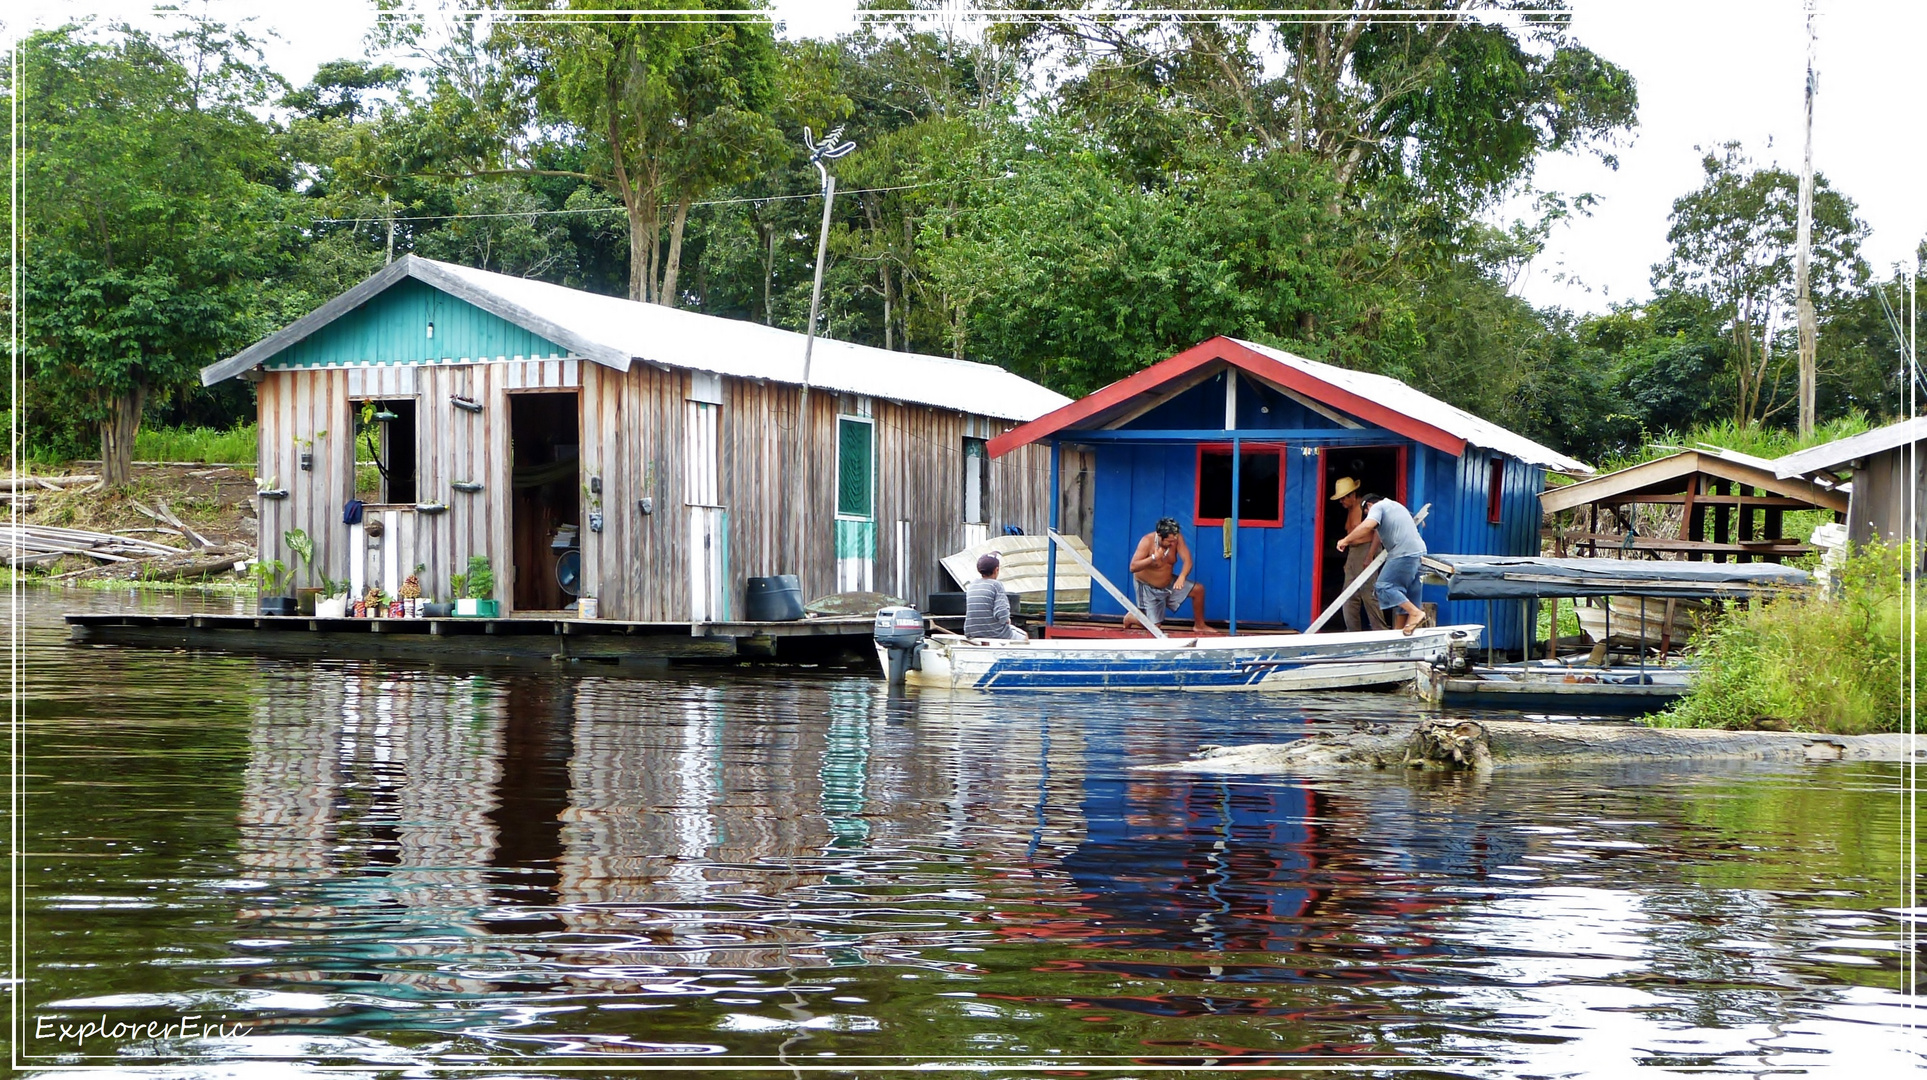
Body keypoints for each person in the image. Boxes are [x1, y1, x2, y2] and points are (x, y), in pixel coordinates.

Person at [1336, 494, 1429, 634]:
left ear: (1368, 505)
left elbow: (1368, 525)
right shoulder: (1397, 506)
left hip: (1403, 553)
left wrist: (1346, 540)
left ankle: (1415, 613)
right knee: (1405, 595)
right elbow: (1422, 523)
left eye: (1366, 512)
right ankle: (1399, 635)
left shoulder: (1378, 506)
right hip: (1420, 553)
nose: (1367, 514)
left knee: (1383, 587)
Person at [1124, 517, 1209, 633]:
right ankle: (1132, 617)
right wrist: (1153, 558)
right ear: (1159, 536)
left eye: (1174, 540)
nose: (1173, 543)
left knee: (1198, 590)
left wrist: (1182, 577)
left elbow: (1188, 560)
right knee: (1155, 626)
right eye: (1169, 541)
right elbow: (1133, 567)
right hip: (1148, 587)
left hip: (1168, 583)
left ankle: (1200, 625)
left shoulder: (1176, 538)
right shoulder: (1147, 541)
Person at [1330, 477, 1388, 632]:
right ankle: (1353, 631)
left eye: (1343, 498)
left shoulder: (1366, 507)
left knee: (1369, 593)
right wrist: (1349, 561)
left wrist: (1370, 555)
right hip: (1354, 552)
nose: (1341, 501)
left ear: (1352, 495)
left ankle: (1380, 631)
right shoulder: (1350, 510)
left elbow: (1378, 531)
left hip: (1367, 548)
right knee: (1348, 595)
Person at [963, 552, 1028, 640]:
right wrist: (1006, 619)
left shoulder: (972, 586)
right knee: (1024, 637)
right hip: (995, 633)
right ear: (996, 570)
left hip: (972, 633)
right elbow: (1001, 614)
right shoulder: (996, 585)